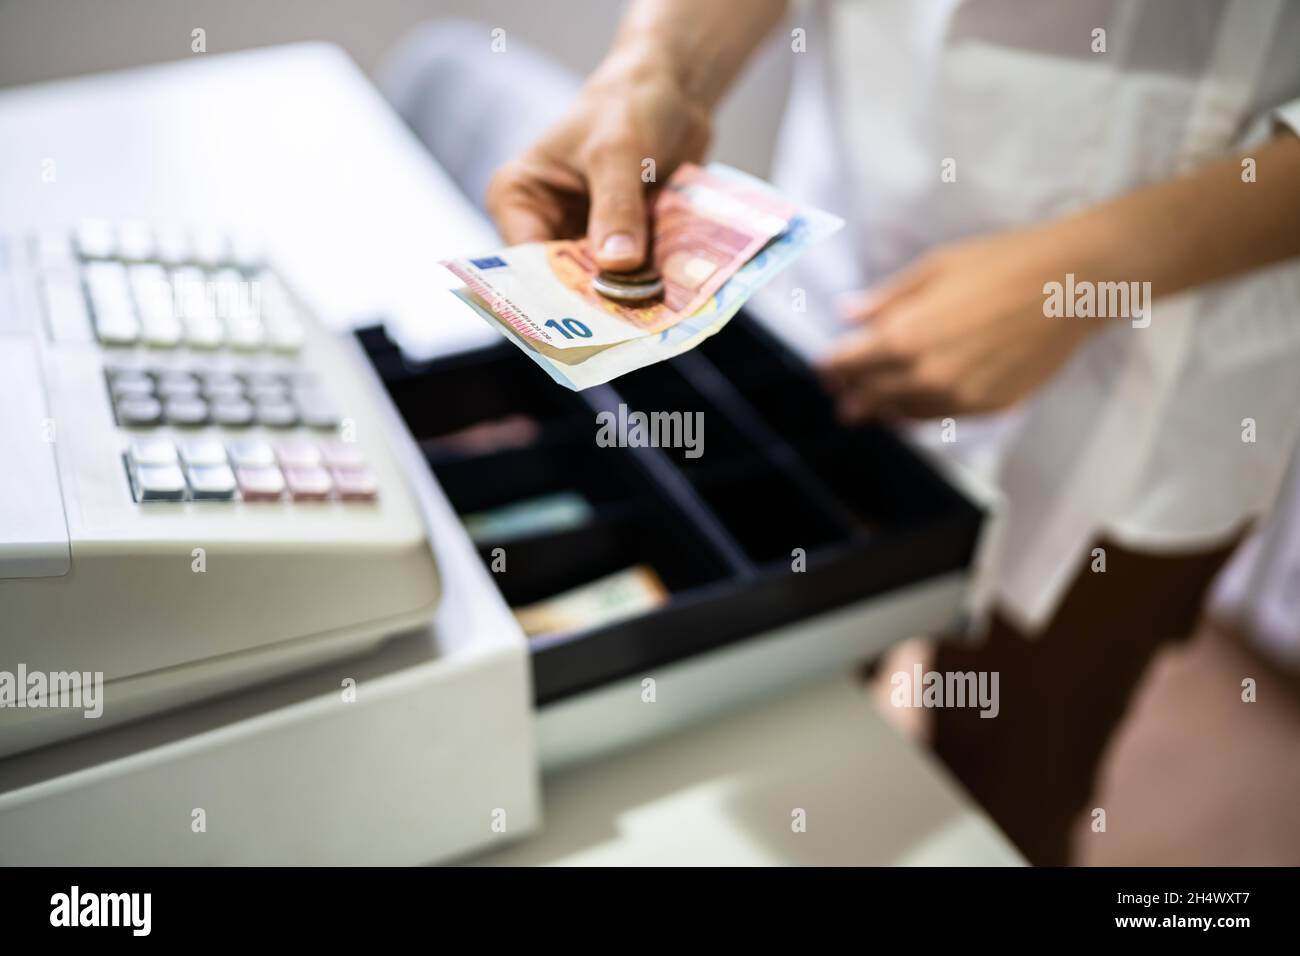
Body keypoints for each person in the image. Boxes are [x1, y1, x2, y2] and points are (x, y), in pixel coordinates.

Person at [388, 1, 1300, 863]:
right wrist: (654, 64)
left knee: (1016, 775)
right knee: (794, 717)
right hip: (852, 270)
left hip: (1172, 363)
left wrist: (1079, 276)